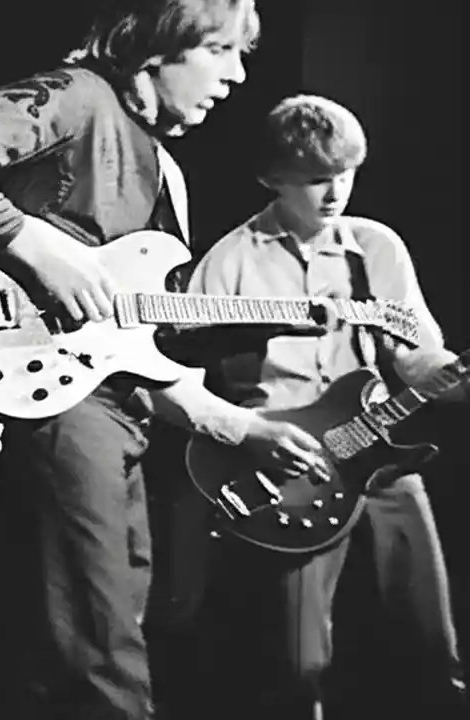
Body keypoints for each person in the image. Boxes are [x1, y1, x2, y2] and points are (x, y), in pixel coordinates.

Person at [0, 1, 334, 717]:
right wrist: (37, 249)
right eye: (221, 51)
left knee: (92, 643)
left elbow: (131, 351)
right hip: (61, 414)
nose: (235, 76)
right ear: (160, 46)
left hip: (117, 417)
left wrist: (238, 426)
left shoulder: (167, 170)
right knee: (101, 662)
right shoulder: (80, 98)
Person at [184, 93, 466, 720]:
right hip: (291, 468)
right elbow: (181, 375)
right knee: (299, 662)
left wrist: (450, 374)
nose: (336, 191)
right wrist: (248, 433)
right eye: (316, 179)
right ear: (270, 178)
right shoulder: (229, 260)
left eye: (346, 173)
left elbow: (416, 356)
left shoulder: (376, 247)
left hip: (379, 453)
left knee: (432, 640)